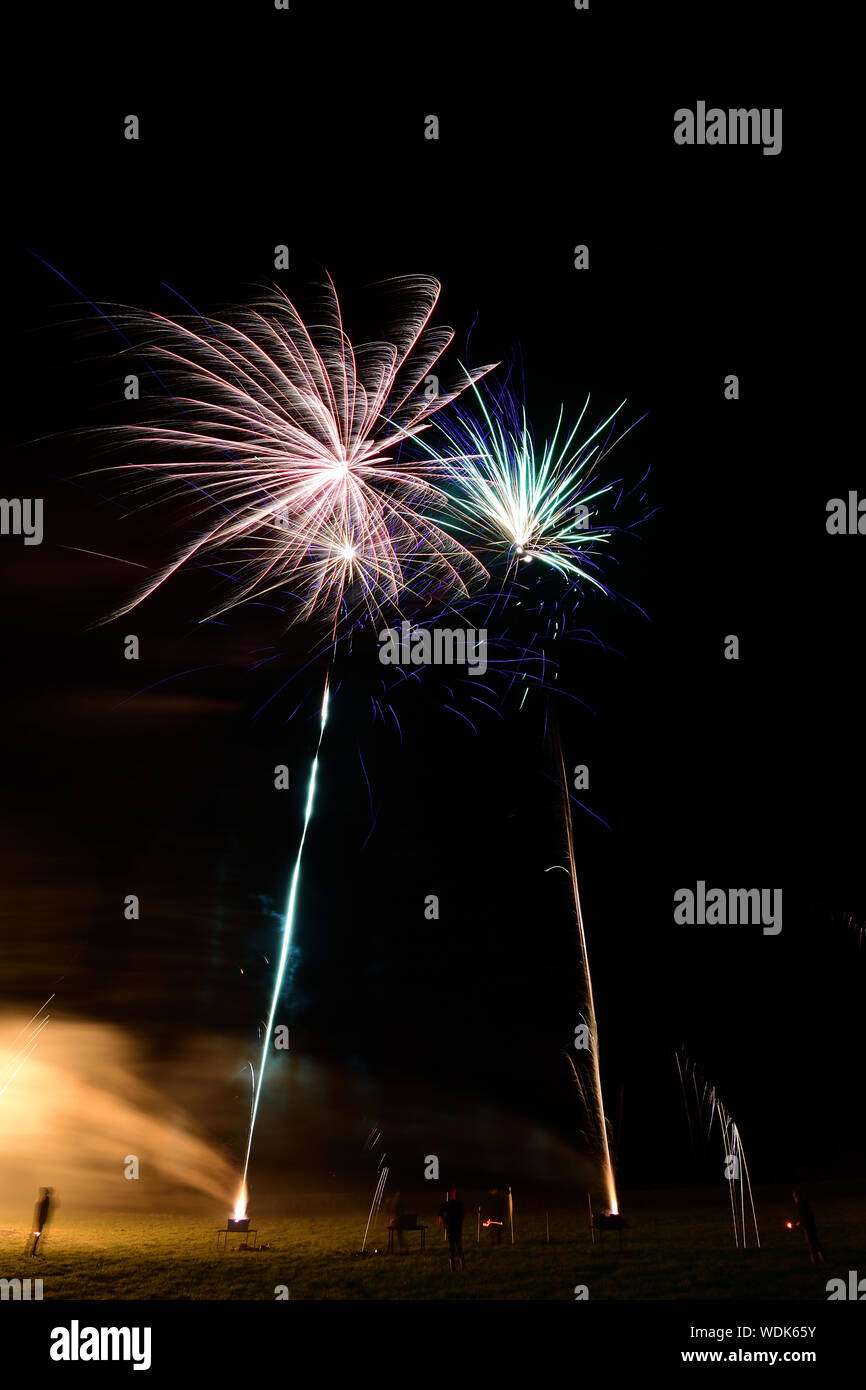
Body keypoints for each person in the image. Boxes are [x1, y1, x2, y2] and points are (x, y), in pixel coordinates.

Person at [792, 1191, 825, 1264]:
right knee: (816, 1242)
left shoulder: (800, 1205)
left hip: (808, 1227)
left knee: (811, 1243)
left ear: (796, 1197)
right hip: (811, 1225)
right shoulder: (805, 1203)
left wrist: (800, 1223)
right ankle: (822, 1257)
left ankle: (815, 1259)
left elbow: (803, 1217)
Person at [439, 1188, 465, 1271]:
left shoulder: (449, 1204)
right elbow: (443, 1214)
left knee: (453, 1247)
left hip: (452, 1228)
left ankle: (454, 1265)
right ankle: (459, 1265)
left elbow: (442, 1214)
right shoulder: (458, 1205)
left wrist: (445, 1221)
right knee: (458, 1246)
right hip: (455, 1228)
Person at [28, 1187, 53, 1256]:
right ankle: (32, 1251)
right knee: (37, 1235)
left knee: (36, 1235)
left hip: (39, 1220)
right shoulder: (46, 1199)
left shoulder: (40, 1200)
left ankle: (31, 1250)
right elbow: (44, 1211)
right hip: (40, 1221)